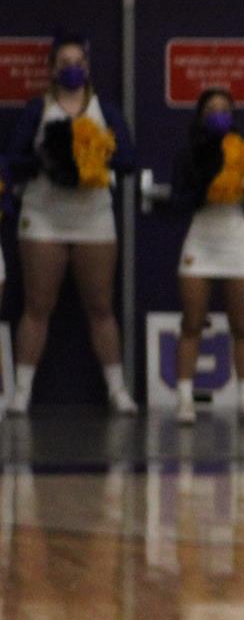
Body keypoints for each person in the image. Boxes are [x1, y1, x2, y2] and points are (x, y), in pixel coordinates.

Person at [2, 35, 139, 414]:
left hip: (93, 216)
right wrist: (48, 158)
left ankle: (117, 390)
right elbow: (13, 159)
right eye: (64, 61)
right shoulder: (37, 109)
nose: (71, 67)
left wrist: (93, 161)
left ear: (88, 67)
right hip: (43, 215)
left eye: (78, 60)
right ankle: (22, 391)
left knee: (100, 306)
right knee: (36, 305)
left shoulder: (104, 110)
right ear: (52, 68)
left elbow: (128, 158)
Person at [169, 88, 244, 424]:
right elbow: (178, 199)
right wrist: (205, 184)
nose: (219, 114)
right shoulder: (188, 153)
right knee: (192, 322)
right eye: (211, 109)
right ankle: (184, 400)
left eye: (225, 108)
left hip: (236, 238)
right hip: (201, 239)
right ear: (200, 115)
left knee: (242, 324)